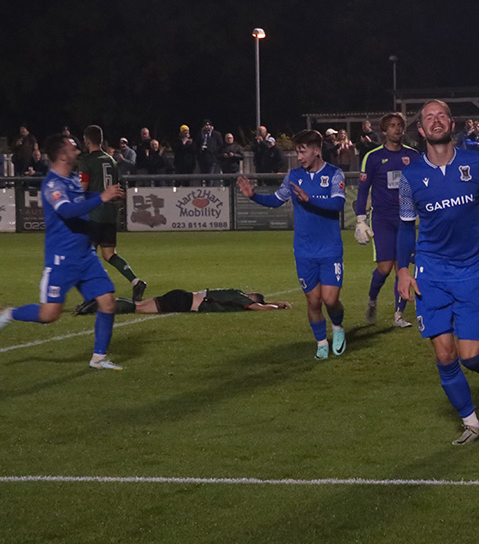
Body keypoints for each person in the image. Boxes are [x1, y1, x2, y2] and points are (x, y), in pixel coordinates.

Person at [397, 99, 479, 446]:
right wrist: (403, 269)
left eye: (441, 116)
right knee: (444, 354)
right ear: (420, 130)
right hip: (430, 272)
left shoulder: (477, 164)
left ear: (452, 123)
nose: (435, 121)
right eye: (428, 118)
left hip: (470, 271)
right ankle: (471, 423)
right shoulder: (408, 177)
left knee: (471, 356)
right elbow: (405, 228)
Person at [0, 134, 126, 370]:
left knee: (108, 301)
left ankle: (98, 359)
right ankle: (9, 313)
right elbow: (67, 210)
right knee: (49, 315)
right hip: (62, 260)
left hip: (86, 255)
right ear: (62, 155)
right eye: (73, 148)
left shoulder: (71, 180)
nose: (78, 151)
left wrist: (107, 196)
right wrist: (102, 197)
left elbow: (81, 198)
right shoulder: (53, 184)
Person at [237, 129, 347, 360]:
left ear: (316, 151)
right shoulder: (294, 176)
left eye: (303, 152)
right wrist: (253, 195)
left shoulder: (335, 174)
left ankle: (337, 328)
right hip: (304, 250)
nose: (299, 157)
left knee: (330, 300)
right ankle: (321, 343)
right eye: (297, 152)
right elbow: (277, 200)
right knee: (314, 301)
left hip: (330, 249)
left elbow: (337, 205)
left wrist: (310, 199)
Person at [354, 111, 421, 328]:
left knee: (401, 266)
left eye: (400, 125)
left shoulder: (413, 156)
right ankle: (372, 300)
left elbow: (423, 185)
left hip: (406, 218)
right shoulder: (373, 157)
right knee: (384, 267)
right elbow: (363, 189)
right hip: (382, 218)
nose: (397, 129)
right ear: (384, 130)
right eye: (392, 125)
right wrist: (360, 220)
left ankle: (398, 315)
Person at [79, 125, 147, 301]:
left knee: (86, 255)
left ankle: (95, 295)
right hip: (110, 213)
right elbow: (117, 190)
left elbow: (82, 188)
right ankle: (136, 281)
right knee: (109, 254)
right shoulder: (112, 161)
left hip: (94, 213)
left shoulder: (86, 161)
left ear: (86, 140)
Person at [76, 288, 291, 315]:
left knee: (137, 307)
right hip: (184, 302)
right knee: (139, 310)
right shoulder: (239, 297)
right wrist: (275, 305)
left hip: (182, 297)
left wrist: (273, 301)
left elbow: (255, 304)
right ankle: (97, 305)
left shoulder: (234, 294)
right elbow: (256, 306)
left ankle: (98, 302)